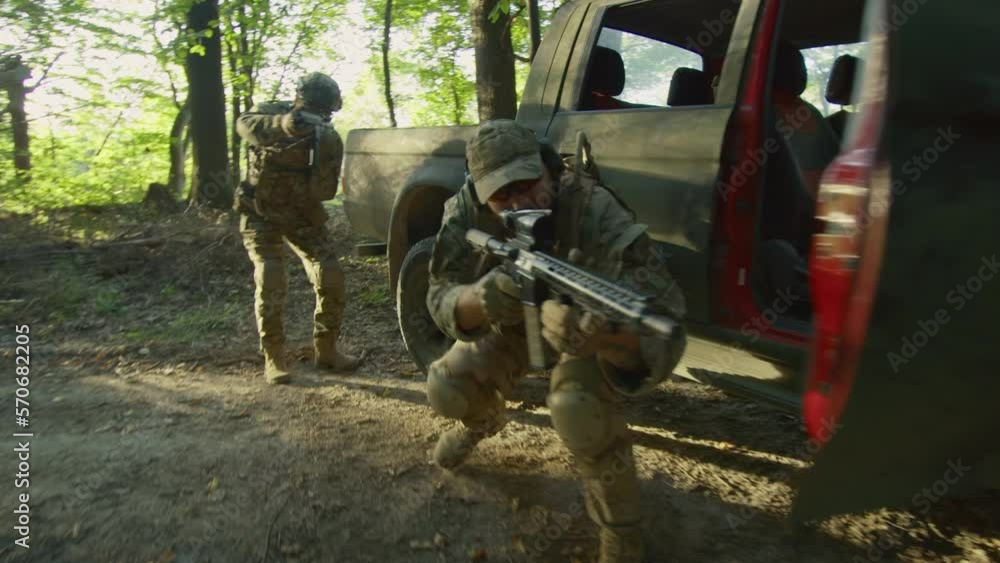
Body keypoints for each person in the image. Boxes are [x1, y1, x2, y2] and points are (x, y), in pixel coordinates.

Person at [424, 119, 687, 562]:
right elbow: (438, 294)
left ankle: (621, 531)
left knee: (575, 406)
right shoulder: (467, 209)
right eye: (501, 195)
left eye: (528, 184)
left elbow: (664, 327)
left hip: (583, 330)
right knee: (446, 387)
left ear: (550, 170)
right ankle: (481, 422)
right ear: (480, 193)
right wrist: (480, 298)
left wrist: (605, 338)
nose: (519, 204)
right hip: (511, 324)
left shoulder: (594, 208)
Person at [234, 72, 361, 384]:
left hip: (300, 214)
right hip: (260, 211)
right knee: (271, 274)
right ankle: (274, 356)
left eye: (324, 112)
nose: (319, 116)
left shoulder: (327, 138)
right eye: (314, 109)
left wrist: (314, 150)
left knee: (330, 272)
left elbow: (325, 192)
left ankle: (326, 350)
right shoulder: (270, 112)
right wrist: (284, 127)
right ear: (298, 99)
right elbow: (244, 125)